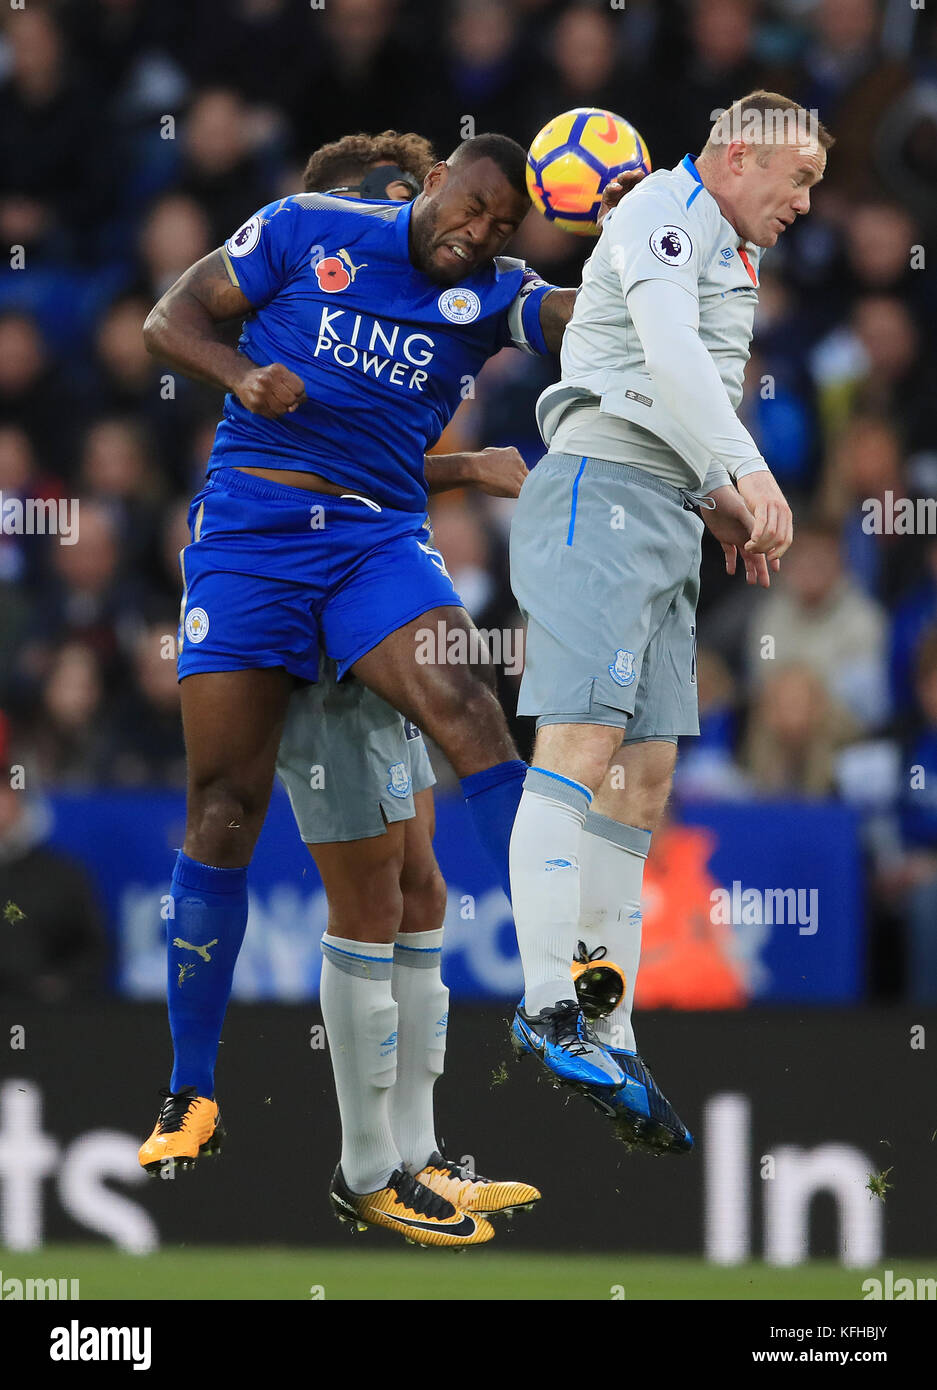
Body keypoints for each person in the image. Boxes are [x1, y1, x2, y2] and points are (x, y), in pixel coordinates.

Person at [138, 131, 591, 1247]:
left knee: (470, 718)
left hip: (377, 546)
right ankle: (197, 1091)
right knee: (225, 810)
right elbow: (170, 317)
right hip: (252, 534)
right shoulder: (304, 231)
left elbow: (574, 321)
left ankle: (556, 985)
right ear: (435, 184)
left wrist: (656, 257)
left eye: (500, 227)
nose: (478, 235)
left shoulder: (497, 293)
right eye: (471, 209)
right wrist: (244, 372)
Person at [507, 91, 828, 1151]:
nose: (804, 203)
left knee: (640, 781)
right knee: (579, 746)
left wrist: (713, 494)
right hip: (598, 490)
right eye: (799, 179)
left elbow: (667, 389)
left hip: (663, 509)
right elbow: (662, 353)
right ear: (740, 156)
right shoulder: (661, 205)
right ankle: (547, 999)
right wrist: (744, 464)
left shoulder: (725, 252)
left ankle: (607, 1022)